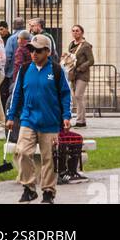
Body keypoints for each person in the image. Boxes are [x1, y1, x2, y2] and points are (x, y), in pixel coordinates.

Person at [7, 33, 72, 205]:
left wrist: (66, 116)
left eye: (38, 51)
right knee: (22, 152)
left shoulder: (57, 70)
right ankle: (29, 188)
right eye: (31, 50)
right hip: (28, 119)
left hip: (50, 122)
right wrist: (11, 116)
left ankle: (48, 193)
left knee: (49, 159)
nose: (33, 54)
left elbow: (66, 95)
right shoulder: (25, 69)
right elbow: (17, 94)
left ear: (48, 52)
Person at [63, 25, 94, 127]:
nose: (75, 32)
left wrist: (81, 67)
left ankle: (80, 120)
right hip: (73, 74)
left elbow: (91, 60)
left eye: (77, 31)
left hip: (82, 74)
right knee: (75, 96)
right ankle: (81, 119)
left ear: (82, 32)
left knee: (78, 96)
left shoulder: (86, 46)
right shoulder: (71, 44)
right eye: (73, 31)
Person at [3, 16, 25, 109]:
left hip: (13, 72)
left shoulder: (11, 39)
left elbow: (7, 57)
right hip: (28, 71)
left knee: (13, 93)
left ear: (13, 26)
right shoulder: (30, 37)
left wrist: (4, 70)